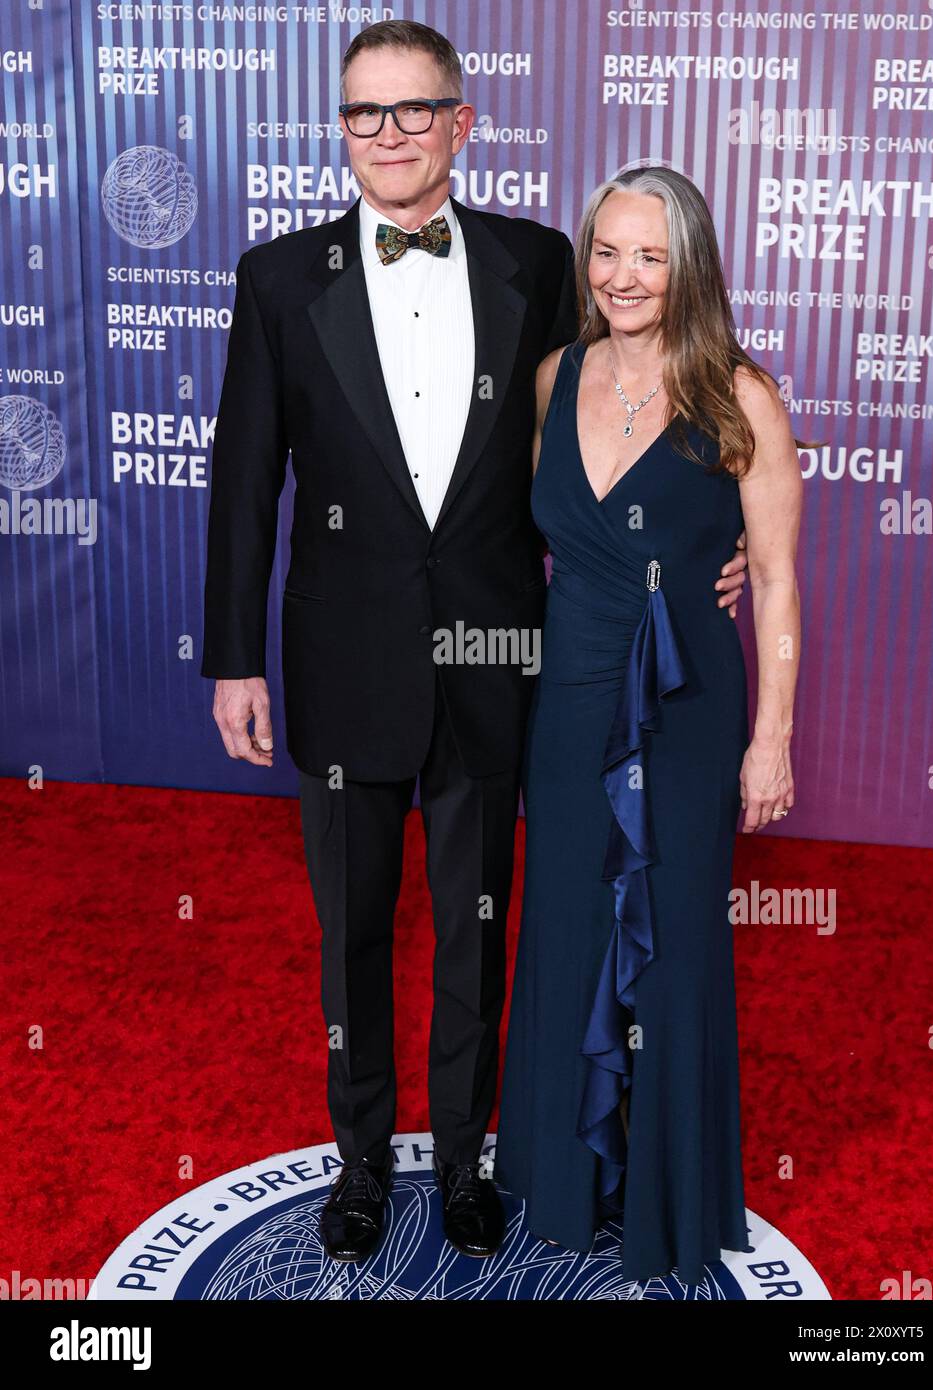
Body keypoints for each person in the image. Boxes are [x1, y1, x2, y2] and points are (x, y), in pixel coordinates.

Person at [200, 22, 749, 1265]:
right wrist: (233, 658)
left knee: (478, 925)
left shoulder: (536, 260)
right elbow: (243, 483)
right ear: (340, 128)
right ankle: (357, 1163)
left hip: (501, 659)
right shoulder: (275, 279)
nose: (388, 134)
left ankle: (463, 1158)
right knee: (352, 931)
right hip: (343, 662)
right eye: (364, 112)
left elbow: (625, 413)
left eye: (414, 109)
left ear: (461, 122)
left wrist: (708, 547)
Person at [493, 164, 802, 1288]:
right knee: (568, 921)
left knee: (669, 943)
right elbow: (538, 538)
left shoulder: (741, 398)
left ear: (690, 267)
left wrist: (770, 739)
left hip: (685, 708)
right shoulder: (554, 376)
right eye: (607, 252)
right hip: (571, 696)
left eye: (650, 257)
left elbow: (776, 579)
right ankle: (565, 1180)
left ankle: (667, 1197)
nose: (622, 277)